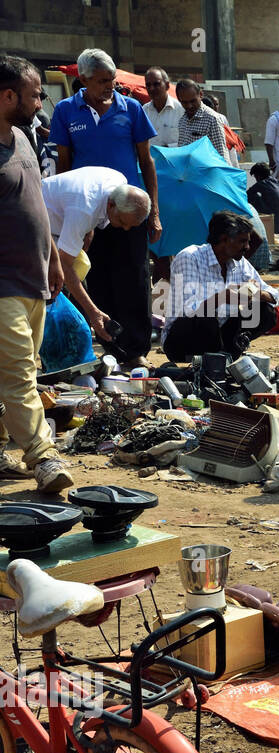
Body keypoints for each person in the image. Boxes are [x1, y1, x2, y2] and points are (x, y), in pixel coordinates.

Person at [49, 48, 160, 367]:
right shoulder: (67, 111)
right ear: (83, 80)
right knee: (100, 278)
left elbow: (146, 162)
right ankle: (112, 346)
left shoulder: (132, 109)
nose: (109, 86)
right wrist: (72, 217)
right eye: (101, 81)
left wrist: (153, 213)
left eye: (111, 80)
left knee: (135, 278)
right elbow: (64, 164)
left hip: (129, 208)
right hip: (88, 213)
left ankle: (136, 349)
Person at [0, 55, 74, 493]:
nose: (41, 102)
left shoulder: (24, 137)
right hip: (3, 283)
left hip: (33, 279)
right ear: (7, 96)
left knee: (9, 372)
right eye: (34, 94)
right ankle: (42, 456)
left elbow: (37, 204)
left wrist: (52, 257)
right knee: (21, 372)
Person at [41, 168, 150, 342]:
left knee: (74, 289)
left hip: (58, 224)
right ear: (111, 205)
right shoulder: (84, 210)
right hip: (30, 222)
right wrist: (94, 313)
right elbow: (63, 264)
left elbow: (89, 224)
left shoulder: (119, 180)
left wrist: (87, 235)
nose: (125, 228)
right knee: (51, 291)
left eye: (130, 226)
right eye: (122, 221)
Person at [162, 211, 279, 362]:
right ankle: (214, 359)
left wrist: (256, 293)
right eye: (242, 241)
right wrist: (222, 297)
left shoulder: (239, 262)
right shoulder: (190, 257)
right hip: (182, 340)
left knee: (266, 311)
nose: (247, 247)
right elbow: (188, 310)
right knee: (206, 316)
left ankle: (227, 354)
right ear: (224, 239)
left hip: (220, 334)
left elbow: (275, 296)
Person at [175, 78, 228, 162]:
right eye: (185, 102)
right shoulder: (182, 120)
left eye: (193, 101)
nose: (189, 106)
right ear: (179, 99)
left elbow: (222, 155)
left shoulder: (212, 119)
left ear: (200, 94)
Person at [246, 162, 279, 234]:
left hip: (277, 227)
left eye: (255, 176)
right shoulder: (277, 181)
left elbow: (246, 194)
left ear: (258, 176)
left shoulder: (262, 183)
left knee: (252, 196)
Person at [142, 68, 181, 148]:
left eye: (156, 84)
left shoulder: (181, 110)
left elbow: (188, 141)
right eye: (148, 85)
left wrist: (167, 148)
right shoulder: (144, 111)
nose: (151, 88)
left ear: (167, 85)